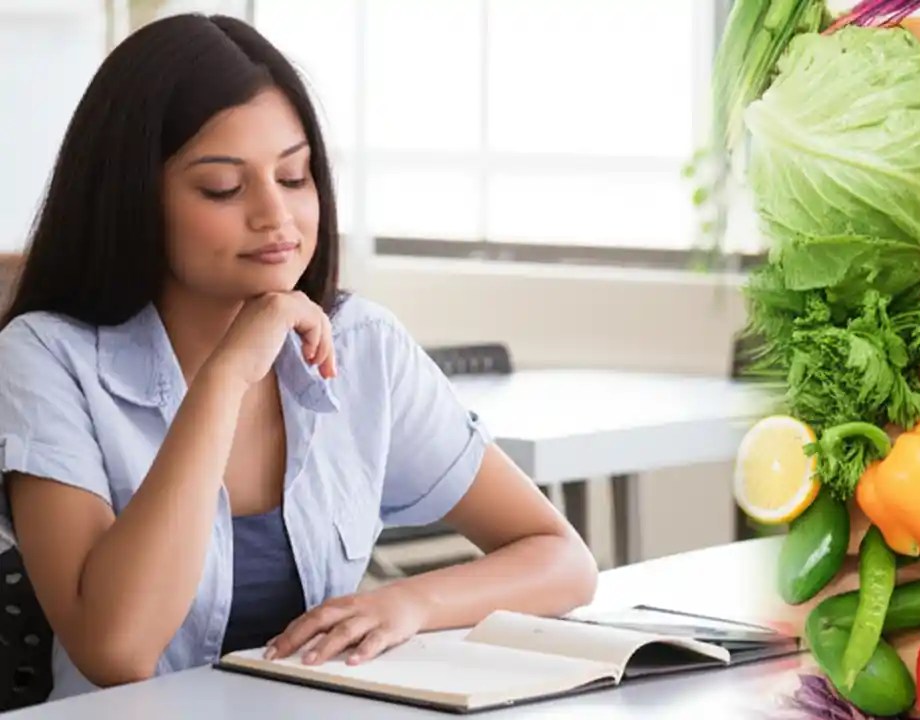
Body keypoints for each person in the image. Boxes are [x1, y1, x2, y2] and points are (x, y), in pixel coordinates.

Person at [0, 13, 597, 701]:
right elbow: (119, 649)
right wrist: (226, 378)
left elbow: (562, 560)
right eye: (223, 188)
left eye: (294, 176)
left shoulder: (362, 345)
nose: (276, 216)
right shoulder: (46, 358)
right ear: (134, 198)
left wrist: (407, 604)